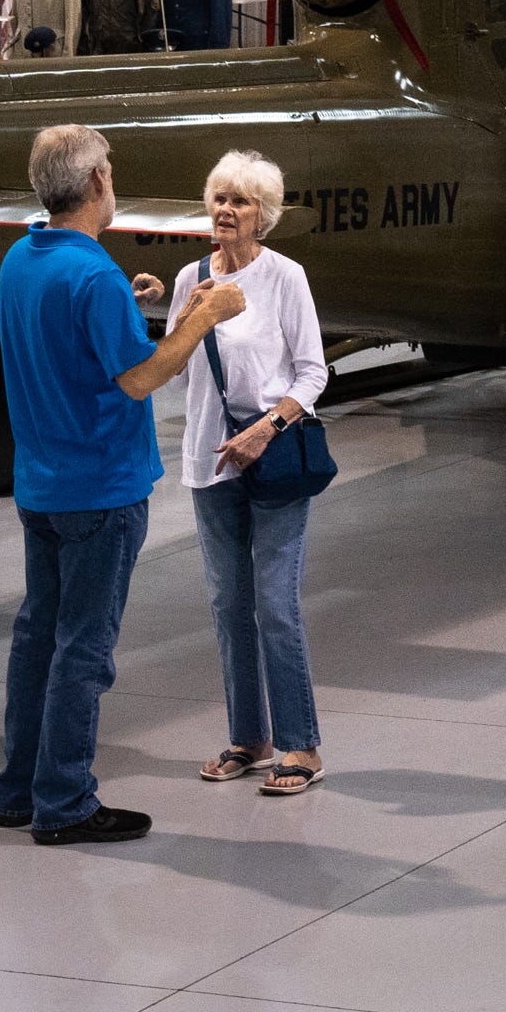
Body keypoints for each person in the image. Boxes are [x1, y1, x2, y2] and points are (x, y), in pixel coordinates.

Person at [0, 122, 242, 846]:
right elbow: (140, 377)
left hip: (41, 484)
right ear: (96, 181)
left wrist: (126, 310)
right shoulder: (92, 273)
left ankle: (19, 790)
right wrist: (202, 316)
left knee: (38, 637)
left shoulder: (22, 258)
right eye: (111, 168)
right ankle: (65, 802)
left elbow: (70, 341)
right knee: (84, 650)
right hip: (100, 490)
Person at [134, 150, 332, 795]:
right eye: (219, 197)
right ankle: (250, 738)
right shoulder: (193, 273)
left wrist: (265, 428)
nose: (224, 210)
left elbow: (313, 373)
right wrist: (180, 313)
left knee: (275, 605)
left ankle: (301, 746)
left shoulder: (286, 278)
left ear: (263, 216)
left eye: (239, 201)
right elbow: (173, 366)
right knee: (228, 604)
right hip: (210, 460)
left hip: (272, 455)